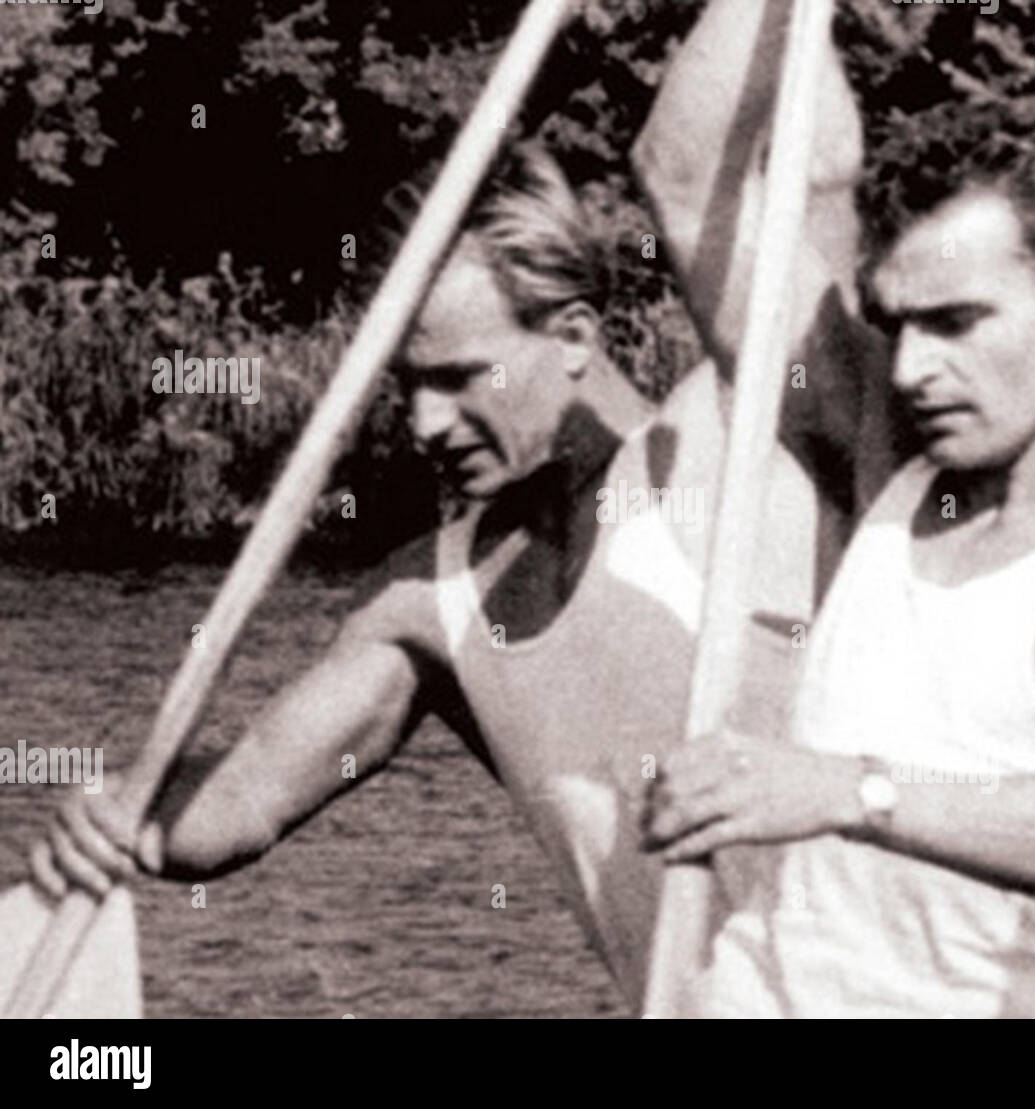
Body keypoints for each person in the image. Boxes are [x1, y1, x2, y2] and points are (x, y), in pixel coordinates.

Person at [29, 0, 892, 1014]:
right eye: (404, 385)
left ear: (573, 334)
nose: (424, 422)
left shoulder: (759, 440)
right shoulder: (434, 600)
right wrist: (118, 809)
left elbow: (751, 163)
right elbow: (238, 807)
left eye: (456, 376)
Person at [644, 96, 1035, 1017]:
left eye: (955, 323)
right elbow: (684, 167)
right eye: (896, 323)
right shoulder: (892, 467)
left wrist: (848, 790)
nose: (909, 370)